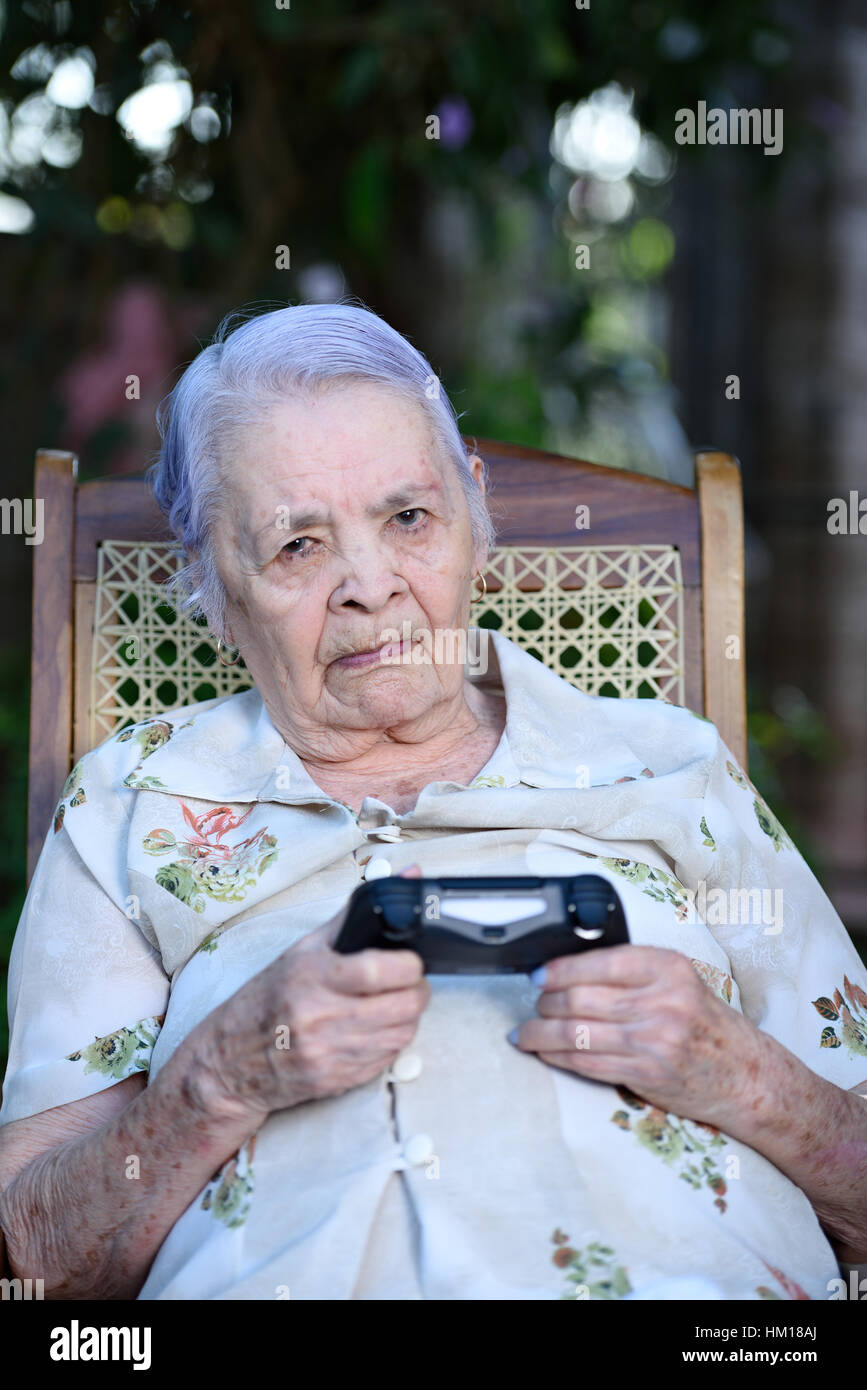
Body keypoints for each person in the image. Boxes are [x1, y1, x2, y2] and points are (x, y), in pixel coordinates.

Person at [1, 302, 865, 1301]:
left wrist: (737, 1072)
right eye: (297, 546)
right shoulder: (130, 805)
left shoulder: (668, 768)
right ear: (208, 583)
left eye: (408, 517)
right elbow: (34, 1251)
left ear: (476, 511)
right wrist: (222, 1078)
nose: (371, 585)